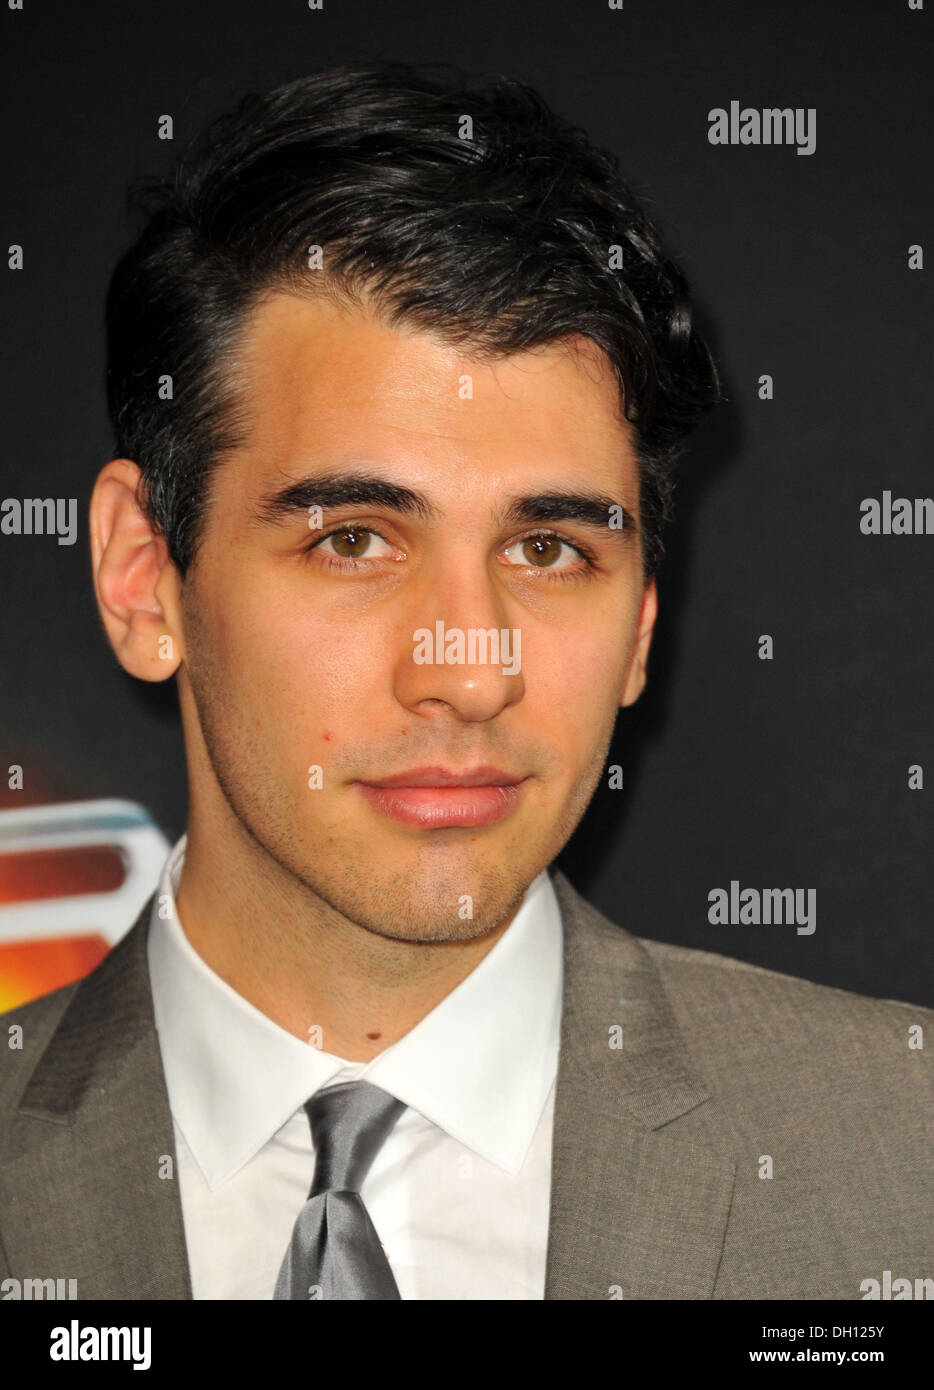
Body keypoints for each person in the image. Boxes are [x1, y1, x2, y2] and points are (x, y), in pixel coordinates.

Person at [1, 61, 931, 1302]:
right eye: (354, 540)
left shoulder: (900, 1163)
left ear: (643, 618)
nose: (469, 673)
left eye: (549, 550)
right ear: (141, 577)